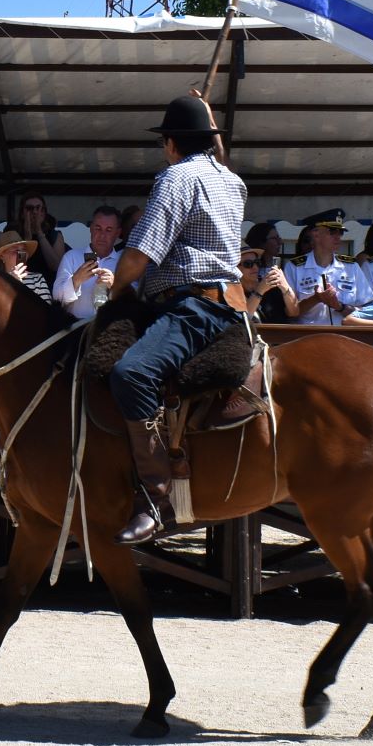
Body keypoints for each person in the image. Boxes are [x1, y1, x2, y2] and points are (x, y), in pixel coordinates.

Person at [104, 93, 249, 546]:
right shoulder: (231, 180)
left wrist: (116, 289)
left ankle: (154, 498)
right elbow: (216, 159)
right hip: (229, 303)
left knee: (131, 373)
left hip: (192, 306)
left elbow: (141, 253)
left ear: (170, 143)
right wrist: (207, 119)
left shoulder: (175, 179)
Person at [52, 207, 127, 323]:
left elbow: (135, 302)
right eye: (98, 228)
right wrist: (75, 280)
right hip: (75, 330)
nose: (102, 235)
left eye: (108, 230)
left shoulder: (123, 263)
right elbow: (57, 299)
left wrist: (115, 286)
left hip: (110, 330)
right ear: (91, 229)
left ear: (117, 233)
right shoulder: (71, 257)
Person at [285, 216, 364, 325]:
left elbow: (366, 310)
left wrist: (340, 307)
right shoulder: (294, 267)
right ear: (316, 234)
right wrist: (316, 299)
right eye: (332, 231)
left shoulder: (351, 267)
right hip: (309, 338)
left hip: (343, 338)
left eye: (340, 232)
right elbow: (290, 312)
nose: (338, 237)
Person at [0, 229, 52, 306]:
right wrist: (11, 282)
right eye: (15, 250)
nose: (21, 254)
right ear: (2, 256)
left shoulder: (37, 278)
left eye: (23, 250)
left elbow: (46, 310)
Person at [15, 192, 67, 280]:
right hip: (22, 285)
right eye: (29, 208)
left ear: (44, 212)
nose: (35, 212)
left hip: (48, 287)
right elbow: (18, 267)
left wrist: (39, 232)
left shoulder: (54, 235)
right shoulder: (14, 235)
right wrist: (27, 240)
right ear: (22, 213)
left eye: (39, 208)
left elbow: (56, 267)